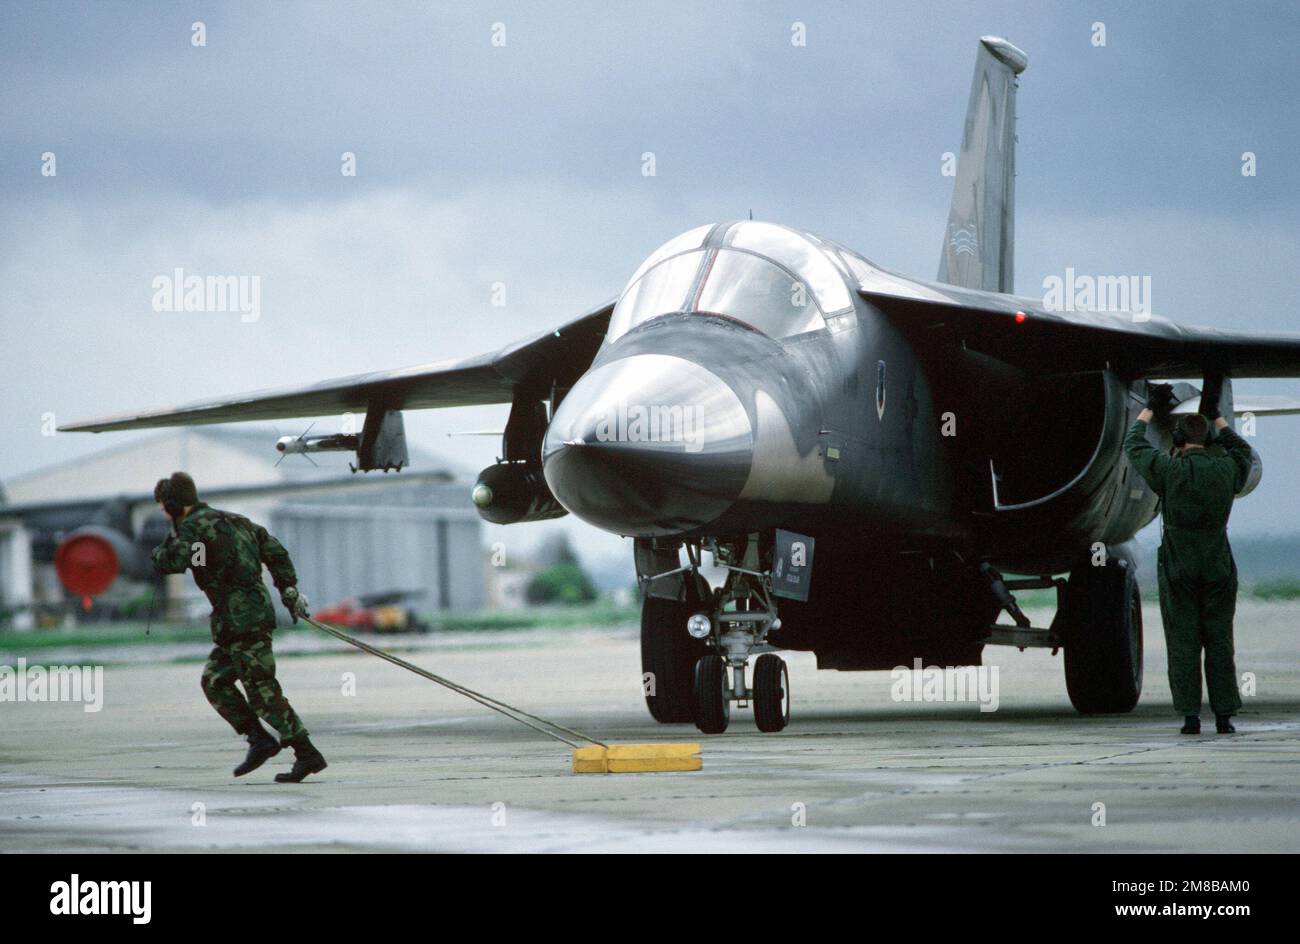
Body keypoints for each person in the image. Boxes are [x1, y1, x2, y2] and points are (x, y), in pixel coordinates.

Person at [151, 471, 328, 781]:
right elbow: (274, 550)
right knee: (215, 681)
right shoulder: (236, 520)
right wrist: (287, 588)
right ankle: (259, 740)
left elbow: (174, 562)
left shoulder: (193, 528)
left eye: (164, 509)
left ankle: (306, 753)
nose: (164, 515)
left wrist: (161, 548)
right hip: (238, 621)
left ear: (174, 507)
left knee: (262, 692)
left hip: (243, 620)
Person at [1123, 378, 1253, 735]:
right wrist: (1219, 421)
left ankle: (1191, 717)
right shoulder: (1226, 469)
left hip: (1179, 564)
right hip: (1218, 561)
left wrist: (1149, 408)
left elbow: (1132, 444)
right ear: (1208, 439)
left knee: (1183, 641)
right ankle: (1225, 716)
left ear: (1177, 440)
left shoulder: (1169, 469)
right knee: (1219, 641)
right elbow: (1243, 454)